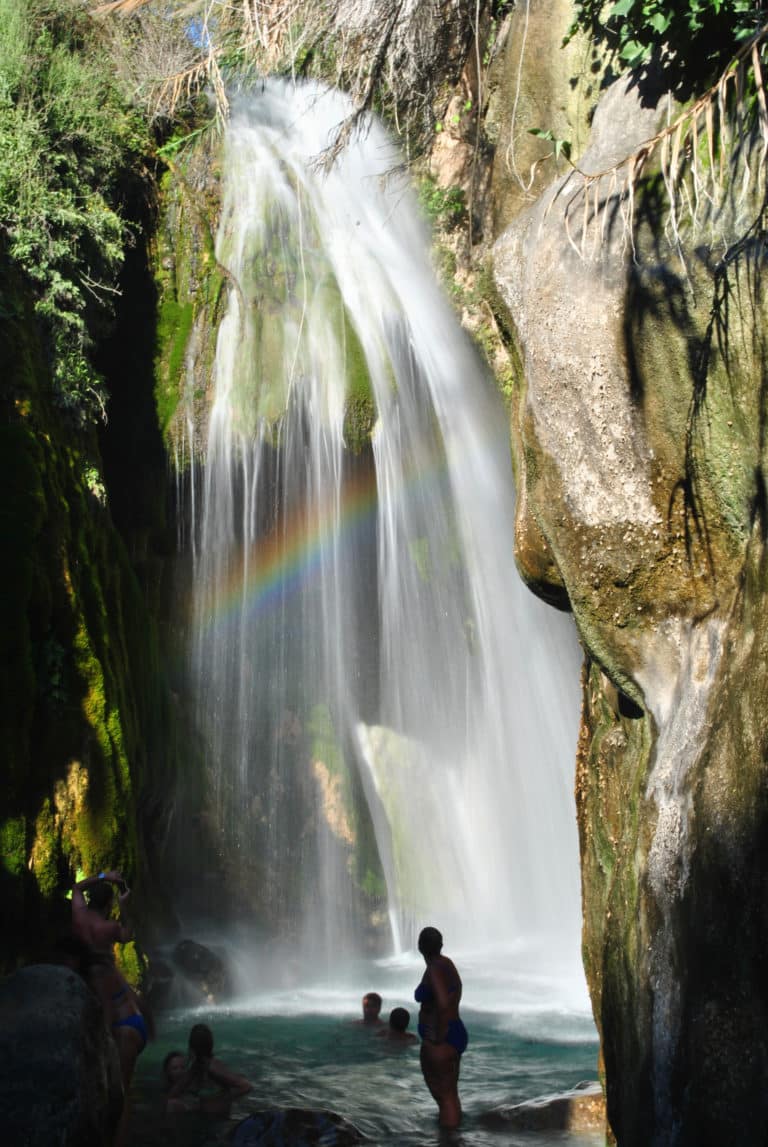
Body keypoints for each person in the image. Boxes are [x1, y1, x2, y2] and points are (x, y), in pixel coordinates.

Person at [71, 869, 149, 1145]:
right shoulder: (109, 929)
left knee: (113, 1094)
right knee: (119, 1095)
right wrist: (124, 906)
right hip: (127, 1017)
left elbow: (77, 887)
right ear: (108, 906)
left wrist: (104, 876)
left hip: (115, 1021)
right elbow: (128, 934)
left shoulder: (78, 918)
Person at [414, 926, 468, 1128]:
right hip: (455, 1030)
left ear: (420, 947)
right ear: (441, 945)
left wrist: (438, 1034)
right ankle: (454, 1133)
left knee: (444, 1095)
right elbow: (454, 996)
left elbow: (443, 1003)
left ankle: (449, 1139)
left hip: (441, 1038)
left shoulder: (435, 968)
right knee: (450, 1093)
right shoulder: (446, 963)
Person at [166, 1022, 252, 1115]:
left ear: (191, 1047)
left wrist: (223, 1100)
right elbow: (174, 1093)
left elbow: (246, 1086)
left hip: (218, 1121)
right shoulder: (197, 1067)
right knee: (171, 1104)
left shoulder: (213, 1067)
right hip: (204, 1117)